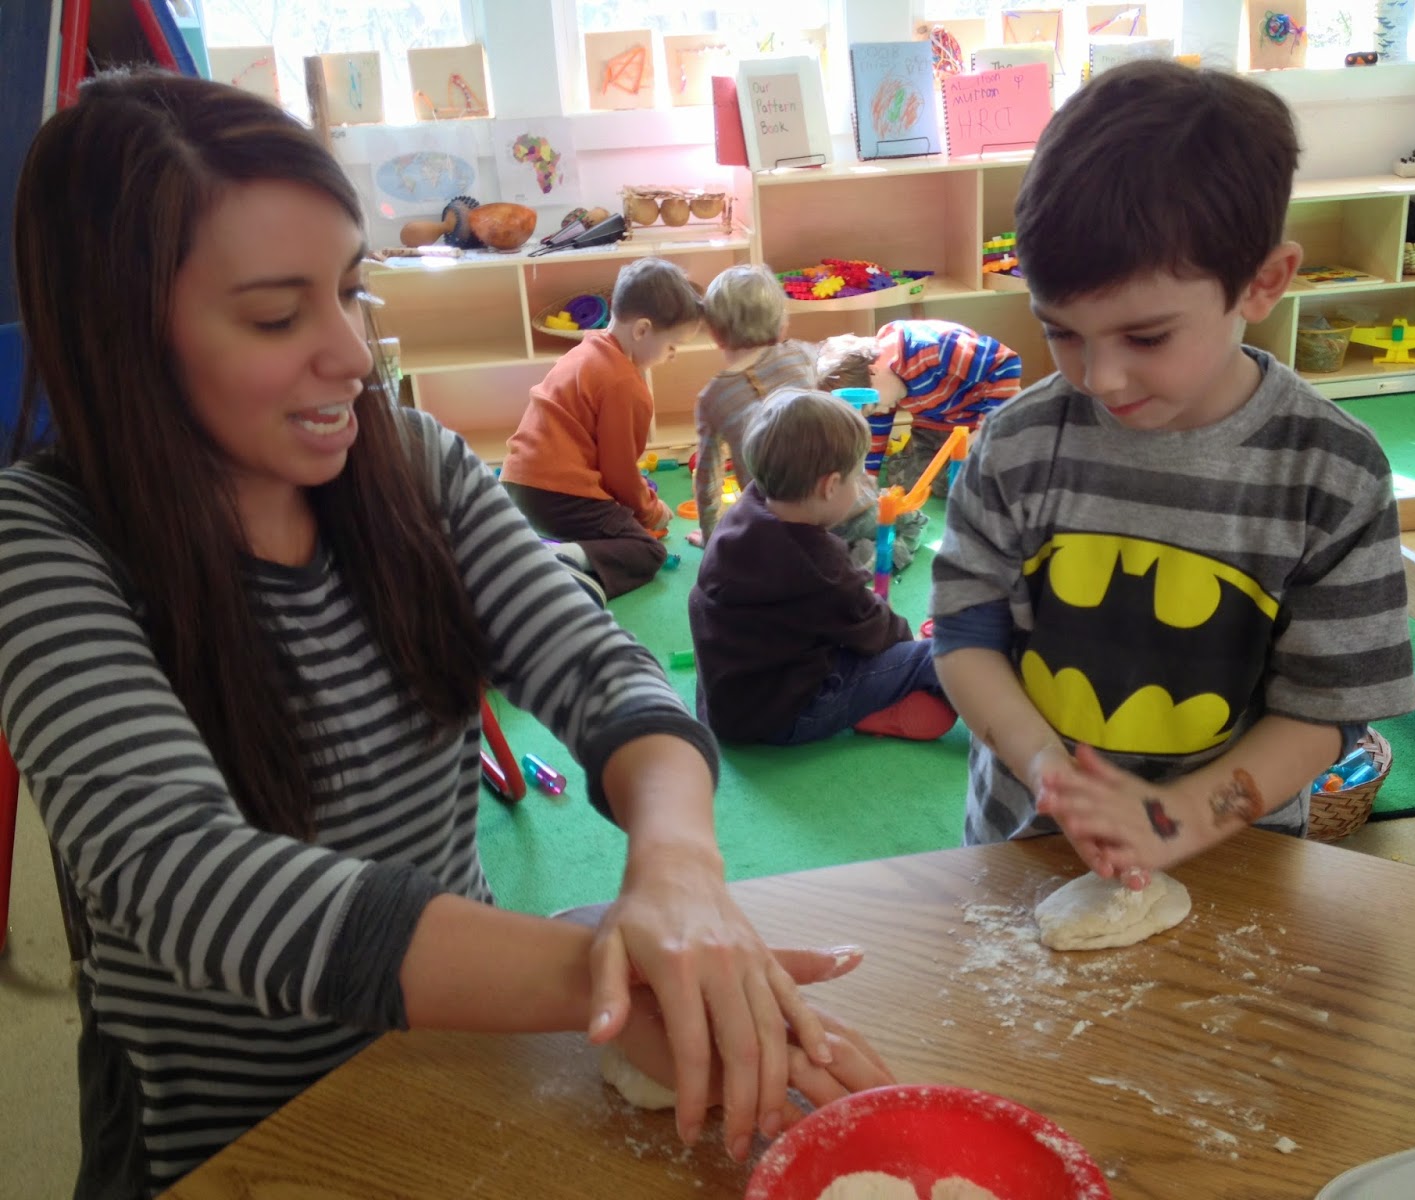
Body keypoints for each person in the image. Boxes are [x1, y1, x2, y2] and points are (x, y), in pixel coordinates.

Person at [0, 71, 890, 1200]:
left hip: (456, 1054)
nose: (351, 356)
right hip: (239, 1139)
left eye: (350, 290)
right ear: (120, 336)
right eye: (279, 316)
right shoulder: (42, 538)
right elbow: (188, 877)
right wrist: (614, 980)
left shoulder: (412, 463)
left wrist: (678, 869)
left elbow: (595, 664)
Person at [928, 61, 1415, 884]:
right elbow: (964, 631)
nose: (1101, 377)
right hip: (1027, 844)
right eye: (1062, 332)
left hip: (1236, 856)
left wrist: (1177, 820)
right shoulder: (1016, 444)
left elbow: (1326, 713)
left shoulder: (1331, 474)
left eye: (1146, 337)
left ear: (1264, 283)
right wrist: (1045, 768)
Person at [690, 388, 957, 746]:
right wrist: (906, 640)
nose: (865, 484)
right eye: (859, 476)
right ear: (830, 486)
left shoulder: (744, 511)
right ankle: (879, 707)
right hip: (787, 715)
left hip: (724, 705)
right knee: (938, 654)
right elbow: (877, 631)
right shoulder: (817, 564)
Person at [500, 256, 701, 600]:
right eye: (672, 346)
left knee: (620, 526)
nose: (673, 356)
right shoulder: (624, 384)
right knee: (648, 551)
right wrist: (651, 510)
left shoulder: (587, 350)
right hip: (558, 494)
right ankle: (565, 559)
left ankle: (559, 551)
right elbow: (619, 473)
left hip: (521, 486)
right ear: (641, 330)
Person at [688, 264, 819, 549]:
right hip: (829, 501)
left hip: (768, 520)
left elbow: (708, 477)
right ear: (782, 324)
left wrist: (712, 539)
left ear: (714, 335)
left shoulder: (713, 398)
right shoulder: (802, 355)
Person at [816, 318, 1022, 498]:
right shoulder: (879, 385)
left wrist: (984, 432)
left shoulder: (934, 347)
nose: (879, 409)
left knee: (980, 481)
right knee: (906, 480)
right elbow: (875, 433)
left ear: (873, 371)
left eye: (876, 405)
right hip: (933, 429)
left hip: (983, 423)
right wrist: (868, 482)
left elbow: (1006, 363)